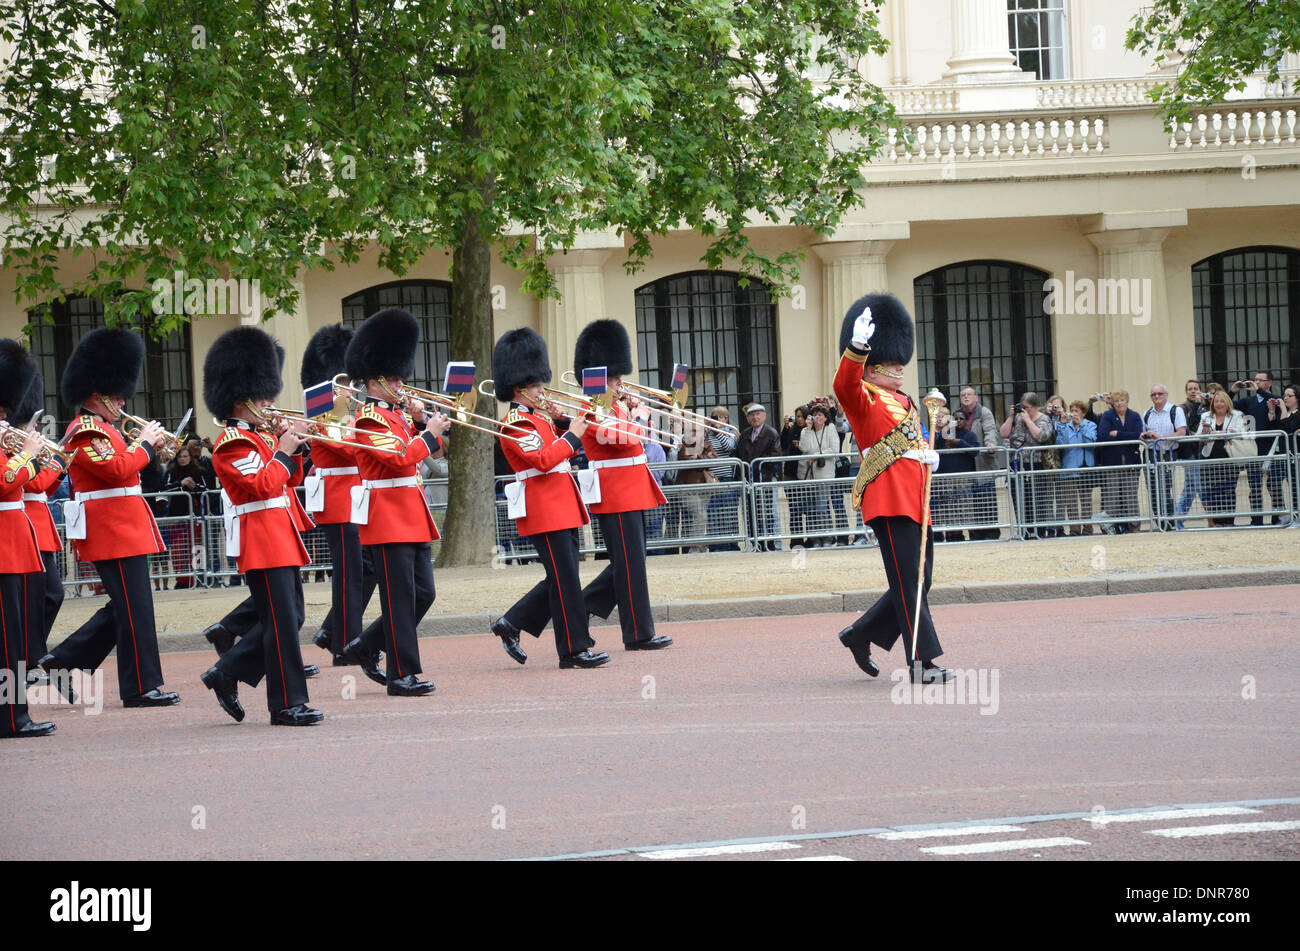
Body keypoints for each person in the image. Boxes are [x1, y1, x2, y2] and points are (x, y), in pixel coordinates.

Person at [37, 328, 180, 708]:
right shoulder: (84, 432)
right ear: (95, 395)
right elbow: (116, 471)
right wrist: (146, 444)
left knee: (125, 606)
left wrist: (155, 454)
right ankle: (139, 688)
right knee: (135, 608)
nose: (122, 400)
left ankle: (63, 662)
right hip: (110, 529)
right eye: (115, 395)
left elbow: (137, 476)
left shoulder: (109, 430)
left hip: (128, 525)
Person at [195, 327, 322, 726]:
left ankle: (227, 672)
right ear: (241, 398)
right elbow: (261, 486)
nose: (270, 401)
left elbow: (287, 481)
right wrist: (284, 449)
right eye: (263, 395)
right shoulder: (232, 442)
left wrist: (296, 450)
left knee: (291, 617)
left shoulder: (260, 438)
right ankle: (286, 704)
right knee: (282, 624)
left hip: (280, 533)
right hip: (262, 538)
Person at [832, 293, 952, 685]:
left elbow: (911, 445)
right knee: (909, 582)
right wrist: (858, 348)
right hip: (888, 499)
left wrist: (929, 456)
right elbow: (842, 384)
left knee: (921, 580)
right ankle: (922, 663)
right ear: (873, 368)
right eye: (890, 365)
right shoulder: (862, 397)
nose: (899, 370)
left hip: (917, 500)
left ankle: (861, 633)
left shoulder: (905, 402)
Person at [338, 309, 450, 696]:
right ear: (375, 379)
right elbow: (400, 458)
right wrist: (429, 432)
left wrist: (421, 422)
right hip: (387, 516)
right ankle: (400, 675)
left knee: (423, 594)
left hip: (411, 512)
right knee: (400, 598)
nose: (402, 384)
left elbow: (414, 451)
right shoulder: (368, 420)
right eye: (396, 378)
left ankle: (367, 645)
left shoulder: (395, 415)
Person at [488, 328, 608, 669]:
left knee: (563, 576)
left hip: (561, 504)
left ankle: (512, 623)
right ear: (520, 388)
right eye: (538, 386)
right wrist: (570, 435)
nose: (544, 390)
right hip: (544, 508)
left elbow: (559, 445)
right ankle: (572, 649)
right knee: (566, 578)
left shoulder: (537, 419)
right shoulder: (515, 424)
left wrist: (561, 421)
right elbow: (542, 461)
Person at [565, 319, 671, 652]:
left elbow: (638, 441)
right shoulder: (590, 407)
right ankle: (639, 633)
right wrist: (638, 418)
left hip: (631, 487)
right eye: (614, 377)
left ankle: (579, 608)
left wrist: (638, 414)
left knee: (629, 563)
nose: (620, 383)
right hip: (614, 492)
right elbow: (619, 440)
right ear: (597, 376)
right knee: (630, 565)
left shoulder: (615, 405)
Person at [297, 324, 379, 667]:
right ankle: (345, 643)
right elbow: (347, 450)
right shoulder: (321, 407)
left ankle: (334, 630)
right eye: (345, 382)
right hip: (337, 497)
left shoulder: (345, 410)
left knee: (368, 569)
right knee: (349, 575)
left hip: (355, 498)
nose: (351, 389)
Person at [0, 339, 57, 737]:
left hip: (15, 543)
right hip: (5, 546)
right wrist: (29, 454)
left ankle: (15, 714)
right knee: (8, 641)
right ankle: (12, 718)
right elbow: (5, 482)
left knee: (15, 638)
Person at [14, 370, 66, 669]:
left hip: (39, 524)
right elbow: (31, 483)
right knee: (40, 598)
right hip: (26, 524)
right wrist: (56, 464)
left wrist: (57, 468)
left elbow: (43, 485)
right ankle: (30, 659)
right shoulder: (16, 443)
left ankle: (34, 655)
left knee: (50, 596)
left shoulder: (25, 440)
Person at [1231, 371, 1286, 525]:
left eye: (1261, 380)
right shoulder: (1249, 401)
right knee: (1254, 485)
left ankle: (1277, 518)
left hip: (1273, 448)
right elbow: (1227, 404)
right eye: (1255, 380)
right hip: (1254, 448)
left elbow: (1278, 403)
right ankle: (1256, 519)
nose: (1256, 383)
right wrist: (1233, 391)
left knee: (1274, 484)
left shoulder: (1276, 400)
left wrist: (1259, 390)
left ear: (1269, 383)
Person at [999, 392, 1054, 538]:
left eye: (1027, 407)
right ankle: (1023, 530)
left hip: (1035, 464)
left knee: (1036, 500)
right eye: (1021, 406)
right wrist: (1011, 416)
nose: (1024, 410)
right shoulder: (1017, 417)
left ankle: (1038, 531)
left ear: (1035, 407)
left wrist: (1028, 420)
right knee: (1019, 499)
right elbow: (1003, 433)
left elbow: (1041, 436)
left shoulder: (1044, 419)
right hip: (1017, 464)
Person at [1198, 390, 1250, 526]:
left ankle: (1228, 521)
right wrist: (1205, 430)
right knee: (1212, 491)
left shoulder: (1237, 415)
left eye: (1222, 401)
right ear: (1212, 404)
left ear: (1228, 403)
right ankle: (1216, 521)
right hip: (1209, 459)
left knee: (1228, 490)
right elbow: (1199, 436)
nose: (1219, 404)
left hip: (1230, 457)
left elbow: (1242, 432)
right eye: (1216, 401)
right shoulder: (1206, 415)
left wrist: (1217, 433)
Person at [735, 401, 782, 550]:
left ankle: (772, 544)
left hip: (765, 479)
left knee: (769, 512)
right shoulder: (745, 435)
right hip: (749, 481)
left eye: (758, 414)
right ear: (748, 418)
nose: (755, 418)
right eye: (752, 415)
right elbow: (739, 455)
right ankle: (757, 543)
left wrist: (758, 465)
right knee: (751, 512)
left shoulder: (771, 433)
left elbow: (775, 455)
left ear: (764, 416)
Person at [1096, 390, 1144, 533]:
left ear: (1127, 401)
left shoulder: (1134, 416)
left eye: (1122, 400)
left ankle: (1134, 528)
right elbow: (1103, 436)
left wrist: (1117, 434)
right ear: (1113, 403)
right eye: (1116, 401)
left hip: (1131, 462)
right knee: (1112, 496)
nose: (1119, 403)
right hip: (1112, 462)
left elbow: (1138, 436)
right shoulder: (1107, 416)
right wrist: (1127, 437)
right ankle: (1111, 528)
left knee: (1131, 497)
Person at [1140, 383, 1187, 530]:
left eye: (1160, 394)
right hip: (1150, 454)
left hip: (1168, 454)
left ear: (1166, 395)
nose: (1157, 396)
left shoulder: (1175, 410)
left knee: (1165, 489)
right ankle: (1161, 523)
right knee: (1152, 489)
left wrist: (1159, 437)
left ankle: (1171, 522)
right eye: (1154, 394)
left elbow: (1181, 432)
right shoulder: (1146, 414)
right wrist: (1144, 436)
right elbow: (1142, 434)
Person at [958, 385, 1001, 539]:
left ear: (976, 398)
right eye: (963, 394)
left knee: (987, 497)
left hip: (983, 461)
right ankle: (975, 532)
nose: (966, 397)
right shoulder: (958, 414)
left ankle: (990, 532)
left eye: (969, 394)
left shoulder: (984, 412)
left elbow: (990, 430)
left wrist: (990, 444)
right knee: (969, 499)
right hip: (966, 462)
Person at [163, 444, 208, 588]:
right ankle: (182, 580)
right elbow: (165, 488)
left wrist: (194, 486)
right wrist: (181, 484)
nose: (182, 459)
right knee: (177, 551)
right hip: (176, 516)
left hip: (195, 516)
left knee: (196, 549)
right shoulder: (171, 471)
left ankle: (198, 578)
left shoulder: (199, 471)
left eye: (185, 456)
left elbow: (206, 490)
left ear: (190, 457)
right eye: (180, 457)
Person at [933, 405, 980, 542]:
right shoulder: (947, 433)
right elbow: (938, 445)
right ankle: (953, 535)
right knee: (949, 507)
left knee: (965, 507)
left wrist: (960, 443)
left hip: (963, 478)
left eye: (962, 419)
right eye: (956, 418)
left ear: (966, 421)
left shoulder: (970, 435)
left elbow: (975, 451)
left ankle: (973, 535)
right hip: (946, 478)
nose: (958, 421)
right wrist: (947, 430)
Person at [799, 400, 840, 546]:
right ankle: (814, 538)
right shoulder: (805, 431)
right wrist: (808, 430)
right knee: (810, 508)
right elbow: (804, 448)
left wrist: (816, 455)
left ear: (825, 417)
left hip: (825, 474)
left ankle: (827, 537)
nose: (817, 417)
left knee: (822, 506)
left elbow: (835, 449)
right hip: (809, 475)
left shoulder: (830, 429)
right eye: (814, 414)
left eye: (820, 415)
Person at [1054, 400, 1098, 535]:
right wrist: (1063, 425)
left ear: (1083, 413)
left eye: (1077, 411)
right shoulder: (1064, 426)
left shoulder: (1090, 425)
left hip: (1085, 467)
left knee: (1086, 502)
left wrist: (1081, 426)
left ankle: (1088, 529)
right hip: (1069, 467)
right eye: (1072, 411)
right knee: (1071, 502)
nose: (1074, 414)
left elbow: (1091, 441)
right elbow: (1062, 443)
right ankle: (1074, 530)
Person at [1174, 379, 1208, 529]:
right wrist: (1196, 405)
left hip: (1202, 450)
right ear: (1186, 391)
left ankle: (1178, 519)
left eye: (1196, 388)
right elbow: (1188, 425)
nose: (1193, 391)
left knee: (1191, 487)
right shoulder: (1182, 408)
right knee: (1197, 486)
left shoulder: (1205, 406)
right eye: (1190, 389)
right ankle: (1178, 519)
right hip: (1189, 451)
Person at [780, 406, 810, 549]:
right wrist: (786, 427)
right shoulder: (791, 430)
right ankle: (796, 540)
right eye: (796, 416)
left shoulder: (811, 430)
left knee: (809, 508)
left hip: (807, 473)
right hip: (791, 473)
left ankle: (811, 538)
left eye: (801, 416)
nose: (799, 419)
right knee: (794, 508)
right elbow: (784, 445)